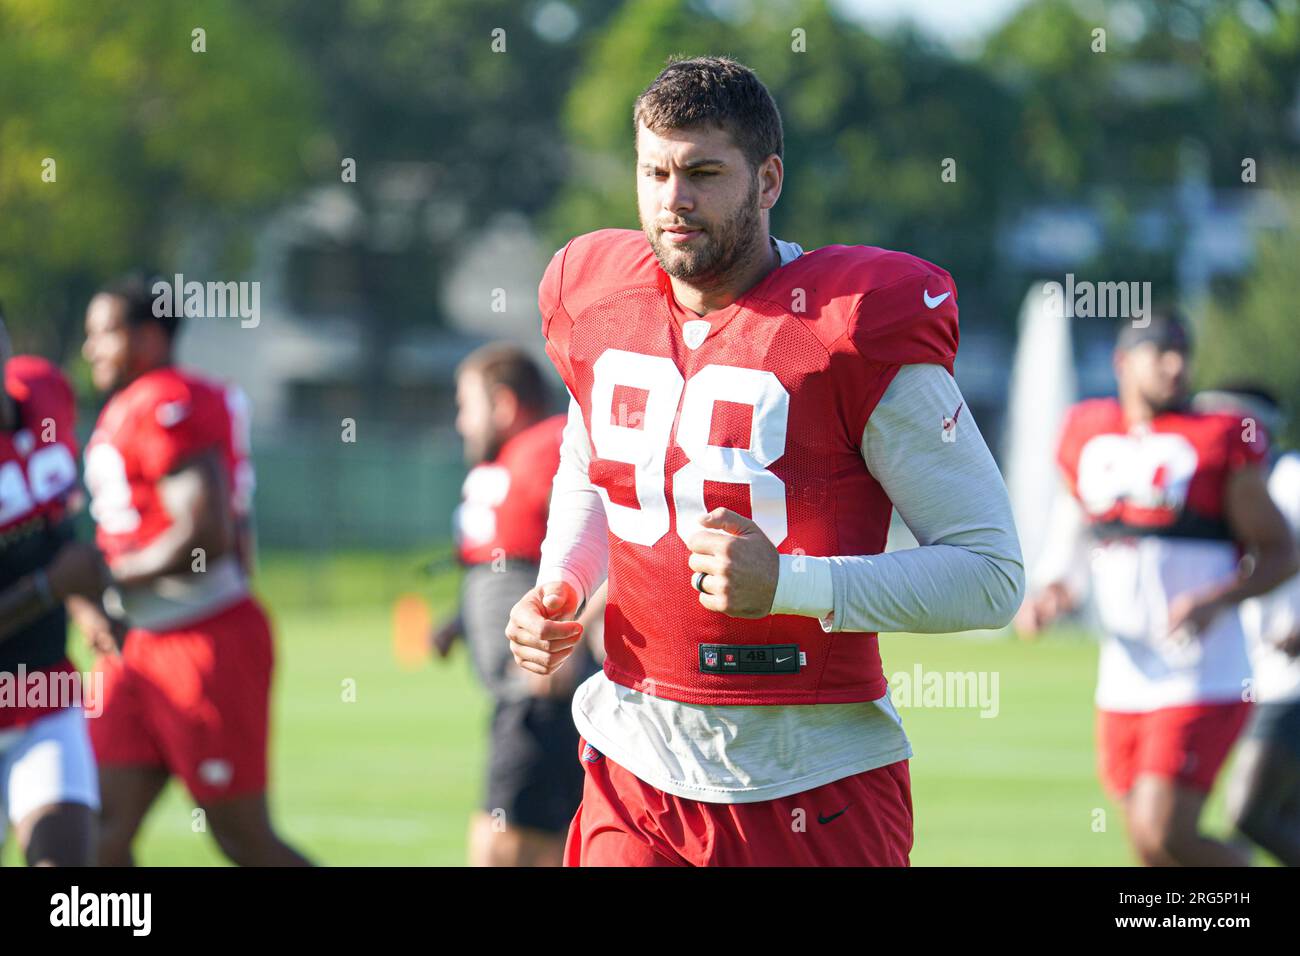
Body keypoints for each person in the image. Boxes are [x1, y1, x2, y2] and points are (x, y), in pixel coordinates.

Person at [505, 56, 1025, 867]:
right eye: (655, 172)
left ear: (768, 179)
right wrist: (563, 580)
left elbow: (992, 574)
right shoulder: (599, 299)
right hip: (634, 764)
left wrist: (788, 584)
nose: (674, 200)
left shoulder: (851, 326)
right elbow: (592, 468)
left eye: (704, 173)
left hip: (811, 781)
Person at [1018, 313, 1299, 866]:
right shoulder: (1088, 433)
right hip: (1123, 675)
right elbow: (1075, 532)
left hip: (1200, 671)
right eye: (1160, 352)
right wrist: (1052, 591)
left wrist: (1216, 598)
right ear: (1123, 362)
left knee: (1168, 830)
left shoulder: (1217, 439)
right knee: (1150, 847)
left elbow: (1281, 550)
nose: (1177, 365)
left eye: (1183, 352)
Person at [79, 273, 309, 866]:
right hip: (136, 648)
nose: (90, 350)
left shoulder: (162, 400)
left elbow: (205, 532)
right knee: (98, 834)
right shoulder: (133, 405)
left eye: (104, 333)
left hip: (200, 635)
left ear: (149, 337)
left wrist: (104, 579)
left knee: (243, 839)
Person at [439, 342, 597, 866]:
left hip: (542, 693)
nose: (461, 423)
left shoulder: (543, 448)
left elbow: (607, 544)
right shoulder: (510, 458)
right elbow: (505, 563)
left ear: (504, 404)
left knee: (504, 849)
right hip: (518, 689)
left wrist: (573, 636)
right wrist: (458, 621)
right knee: (532, 846)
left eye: (467, 406)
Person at [0, 308, 103, 865]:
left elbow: (56, 528)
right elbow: (52, 571)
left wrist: (85, 602)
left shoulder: (44, 391)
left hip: (42, 697)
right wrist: (48, 587)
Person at [1193, 385, 1300, 865]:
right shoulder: (1226, 490)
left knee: (1248, 812)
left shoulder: (1293, 481)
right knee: (1283, 815)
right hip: (1250, 675)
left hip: (1290, 680)